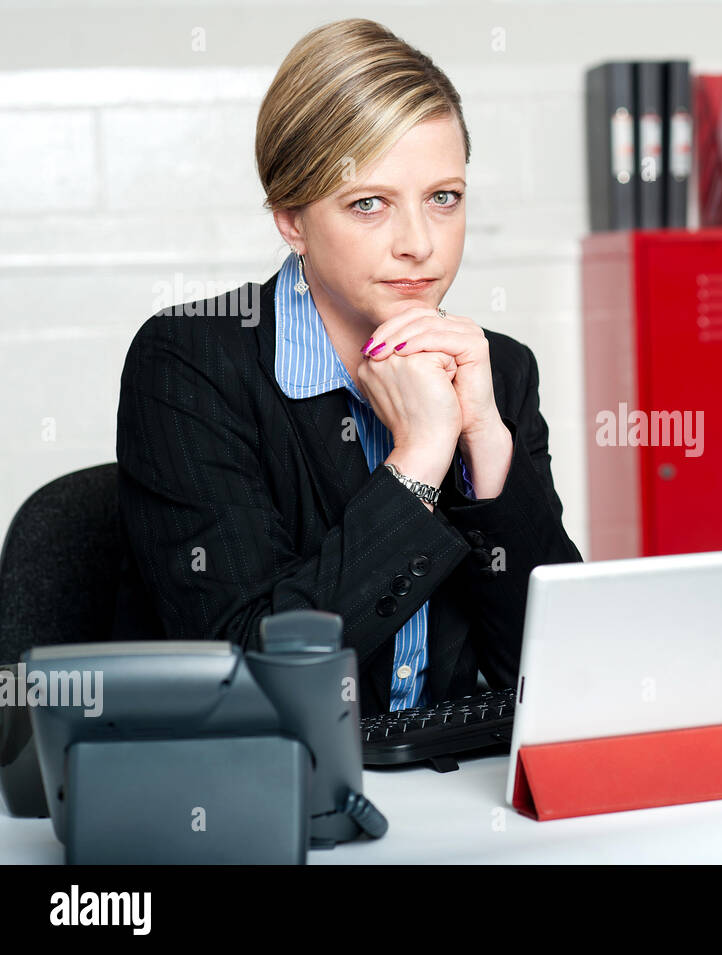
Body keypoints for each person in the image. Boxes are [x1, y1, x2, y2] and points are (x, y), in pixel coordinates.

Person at [111, 18, 582, 717]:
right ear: (291, 219)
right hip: (270, 802)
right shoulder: (188, 365)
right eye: (369, 204)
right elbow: (254, 679)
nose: (419, 245)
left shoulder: (498, 370)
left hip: (449, 792)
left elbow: (554, 672)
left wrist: (484, 438)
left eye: (442, 198)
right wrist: (420, 458)